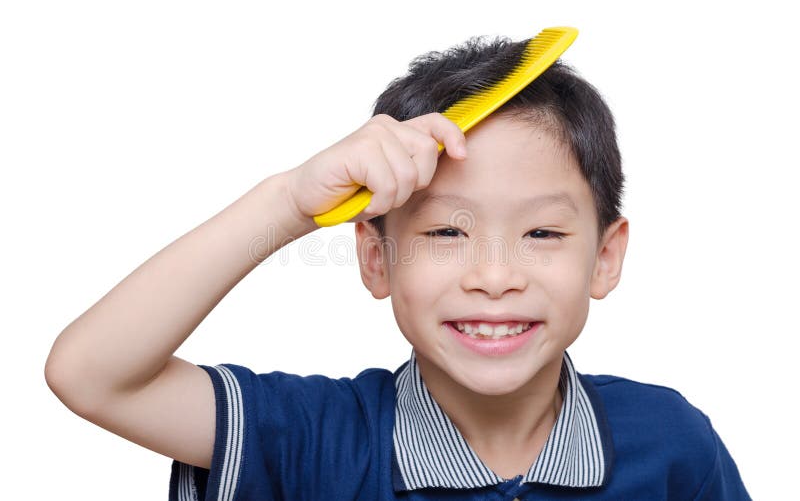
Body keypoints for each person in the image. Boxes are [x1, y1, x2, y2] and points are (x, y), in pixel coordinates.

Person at [44, 34, 751, 500]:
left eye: (541, 231)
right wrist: (289, 201)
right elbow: (92, 375)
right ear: (376, 258)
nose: (495, 276)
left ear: (604, 256)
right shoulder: (316, 439)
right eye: (447, 230)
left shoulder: (673, 444)